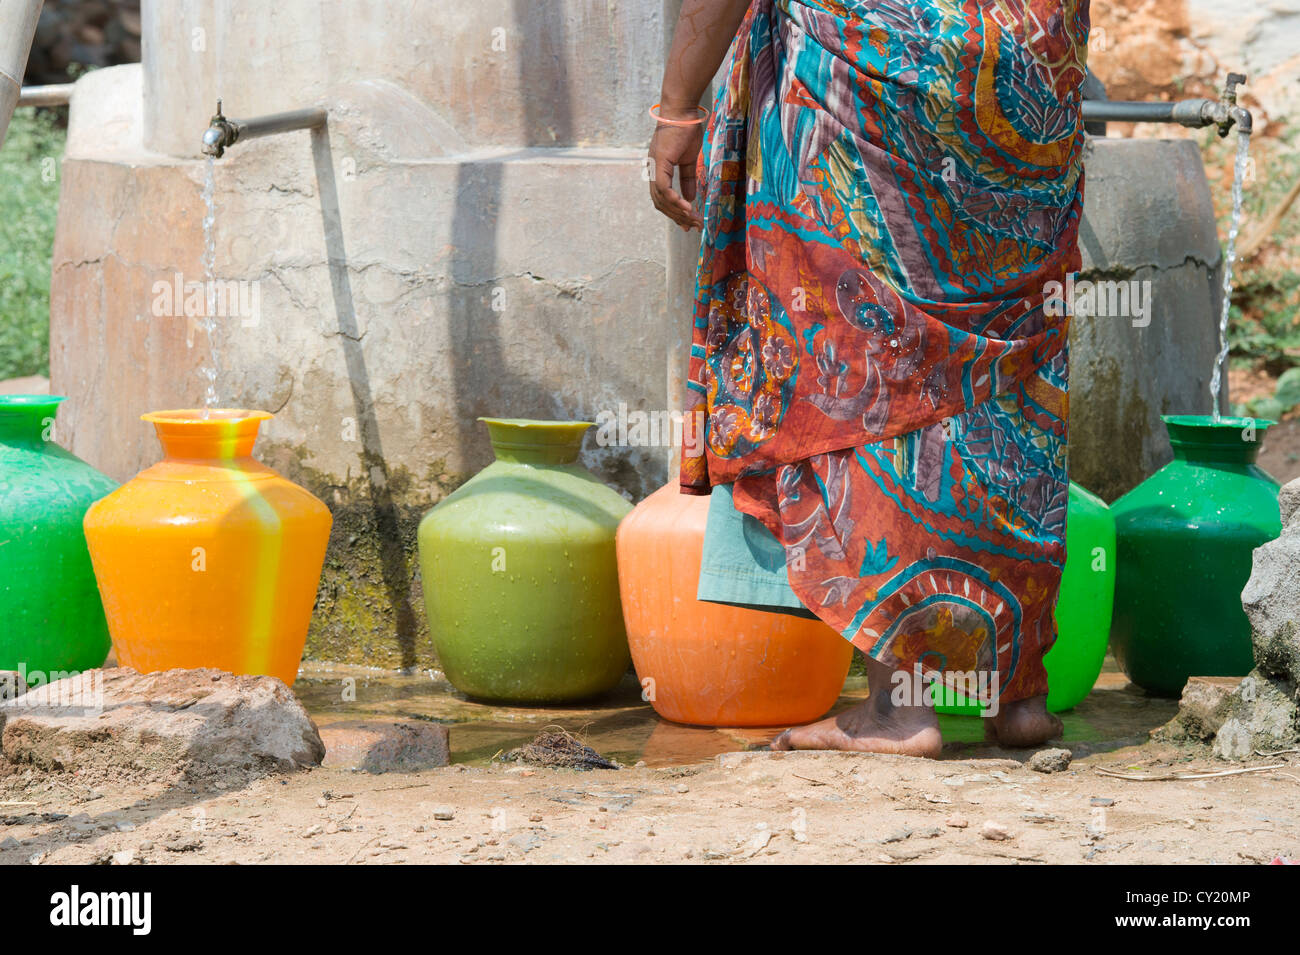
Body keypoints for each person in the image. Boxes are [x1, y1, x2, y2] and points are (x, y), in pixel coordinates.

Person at [648, 0, 1089, 756]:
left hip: (877, 61)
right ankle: (1018, 694)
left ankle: (898, 706)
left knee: (873, 361)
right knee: (1004, 369)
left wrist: (678, 109)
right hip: (1028, 71)